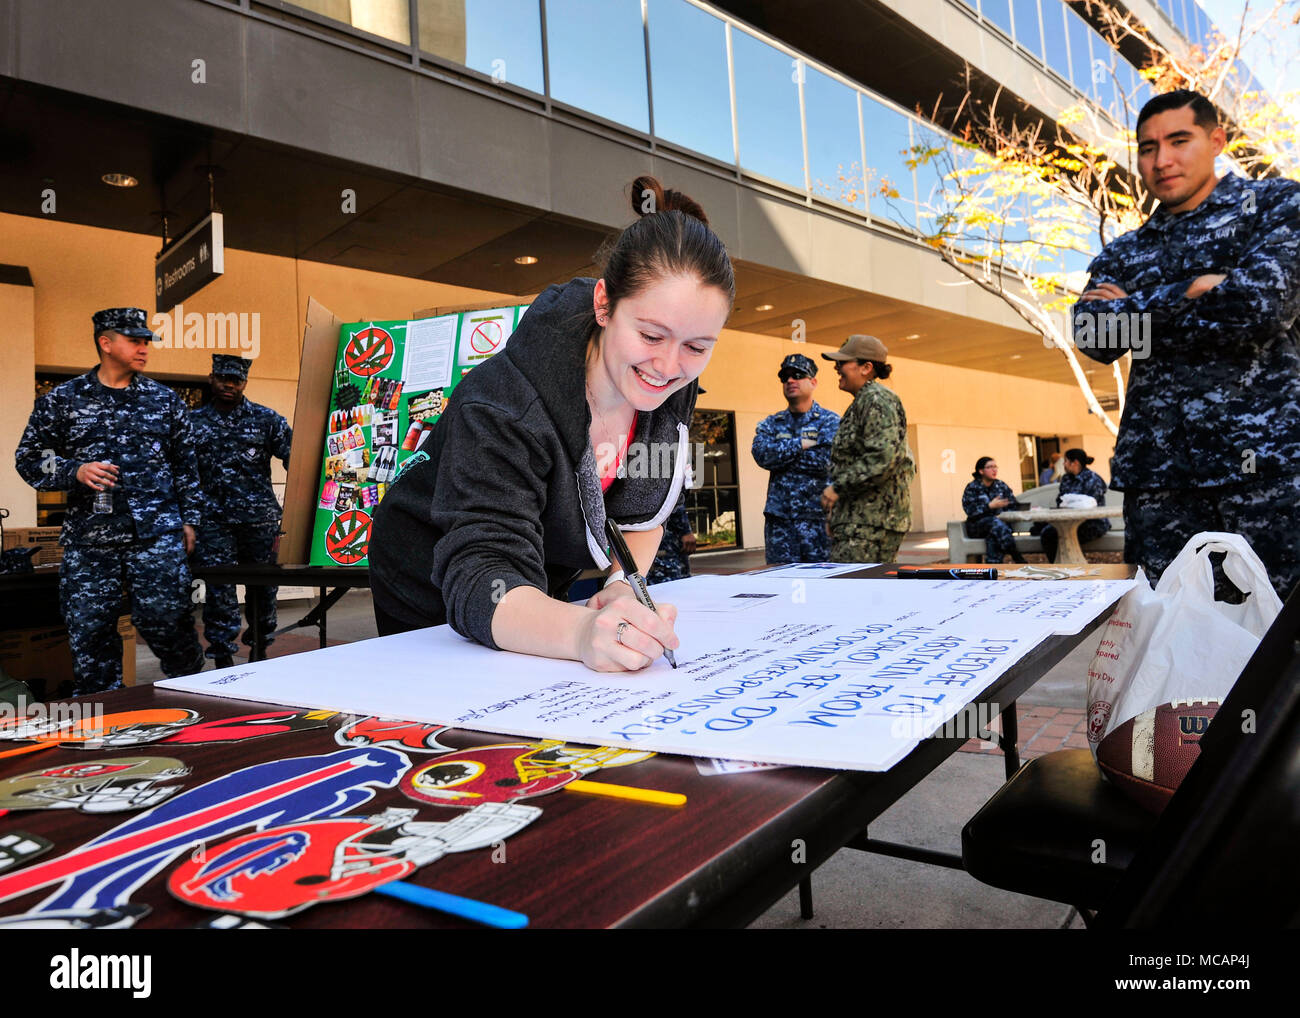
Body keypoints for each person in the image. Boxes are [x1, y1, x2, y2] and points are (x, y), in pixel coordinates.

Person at [367, 175, 733, 671]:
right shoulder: (503, 404)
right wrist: (582, 631)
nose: (669, 367)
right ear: (604, 305)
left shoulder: (673, 386)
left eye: (697, 347)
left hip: (538, 578)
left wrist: (623, 588)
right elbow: (482, 576)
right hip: (431, 578)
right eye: (650, 335)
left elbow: (642, 514)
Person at [1073, 89, 1300, 598]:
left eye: (1179, 140)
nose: (1162, 159)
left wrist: (1133, 306)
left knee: (1280, 646)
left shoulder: (1276, 206)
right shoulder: (1127, 248)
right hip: (1161, 478)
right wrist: (1194, 289)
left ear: (1217, 139)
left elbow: (1261, 306)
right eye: (1148, 147)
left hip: (1262, 469)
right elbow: (1093, 335)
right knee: (1171, 641)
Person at [14, 307, 206, 696]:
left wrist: (190, 521)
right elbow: (30, 457)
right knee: (91, 633)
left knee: (170, 624)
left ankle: (198, 698)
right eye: (134, 340)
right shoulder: (63, 400)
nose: (144, 348)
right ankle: (104, 719)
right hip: (90, 540)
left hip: (156, 537)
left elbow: (187, 465)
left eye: (146, 340)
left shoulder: (165, 401)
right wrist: (74, 470)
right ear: (106, 342)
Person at [189, 354, 294, 668]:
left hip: (259, 520)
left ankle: (260, 649)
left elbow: (296, 460)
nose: (228, 385)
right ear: (212, 378)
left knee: (262, 590)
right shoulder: (193, 423)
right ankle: (222, 656)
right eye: (223, 378)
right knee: (220, 591)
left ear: (245, 382)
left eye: (236, 380)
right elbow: (180, 470)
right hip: (213, 523)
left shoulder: (266, 419)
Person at [818, 335, 915, 562]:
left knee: (851, 592)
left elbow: (883, 457)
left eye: (842, 363)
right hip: (860, 522)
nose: (836, 368)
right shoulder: (864, 401)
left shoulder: (877, 399)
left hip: (871, 525)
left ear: (866, 367)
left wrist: (837, 488)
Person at [751, 353, 840, 563]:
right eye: (785, 376)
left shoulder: (830, 421)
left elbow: (826, 461)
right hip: (780, 523)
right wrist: (800, 444)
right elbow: (762, 456)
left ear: (813, 382)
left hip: (818, 520)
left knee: (824, 585)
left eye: (798, 375)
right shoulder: (771, 423)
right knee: (779, 585)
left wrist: (781, 457)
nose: (790, 380)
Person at [1039, 448, 1110, 563]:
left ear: (1075, 463)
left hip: (1092, 523)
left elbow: (1091, 504)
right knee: (1047, 534)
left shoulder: (1093, 479)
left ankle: (1071, 568)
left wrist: (1070, 502)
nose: (1063, 464)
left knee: (1062, 536)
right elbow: (1060, 500)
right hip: (1067, 522)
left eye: (1066, 461)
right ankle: (1058, 568)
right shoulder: (1066, 479)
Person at [962, 457, 1027, 565]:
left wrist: (1005, 511)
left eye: (995, 467)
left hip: (999, 526)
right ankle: (1017, 556)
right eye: (990, 467)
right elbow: (969, 510)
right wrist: (989, 506)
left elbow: (1013, 504)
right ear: (981, 471)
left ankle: (994, 566)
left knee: (993, 536)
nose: (994, 470)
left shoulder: (1000, 485)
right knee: (995, 523)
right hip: (977, 526)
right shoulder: (972, 487)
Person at [645, 495, 696, 585]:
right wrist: (685, 530)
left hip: (658, 526)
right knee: (668, 579)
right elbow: (672, 497)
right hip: (664, 531)